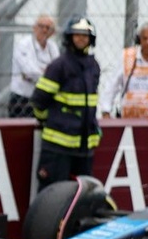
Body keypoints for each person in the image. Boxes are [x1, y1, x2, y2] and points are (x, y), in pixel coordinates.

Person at [31, 17, 101, 190]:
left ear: (90, 39)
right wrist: (52, 121)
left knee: (81, 197)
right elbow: (39, 100)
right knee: (52, 195)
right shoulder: (59, 65)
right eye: (77, 35)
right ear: (69, 38)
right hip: (58, 147)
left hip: (84, 148)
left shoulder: (93, 66)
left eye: (85, 36)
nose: (81, 39)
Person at [9, 15, 58, 117]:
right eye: (41, 26)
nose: (44, 30)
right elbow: (29, 72)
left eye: (48, 28)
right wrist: (48, 75)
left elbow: (58, 72)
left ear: (53, 32)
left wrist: (41, 74)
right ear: (34, 28)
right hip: (22, 98)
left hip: (44, 98)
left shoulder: (53, 47)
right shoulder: (23, 44)